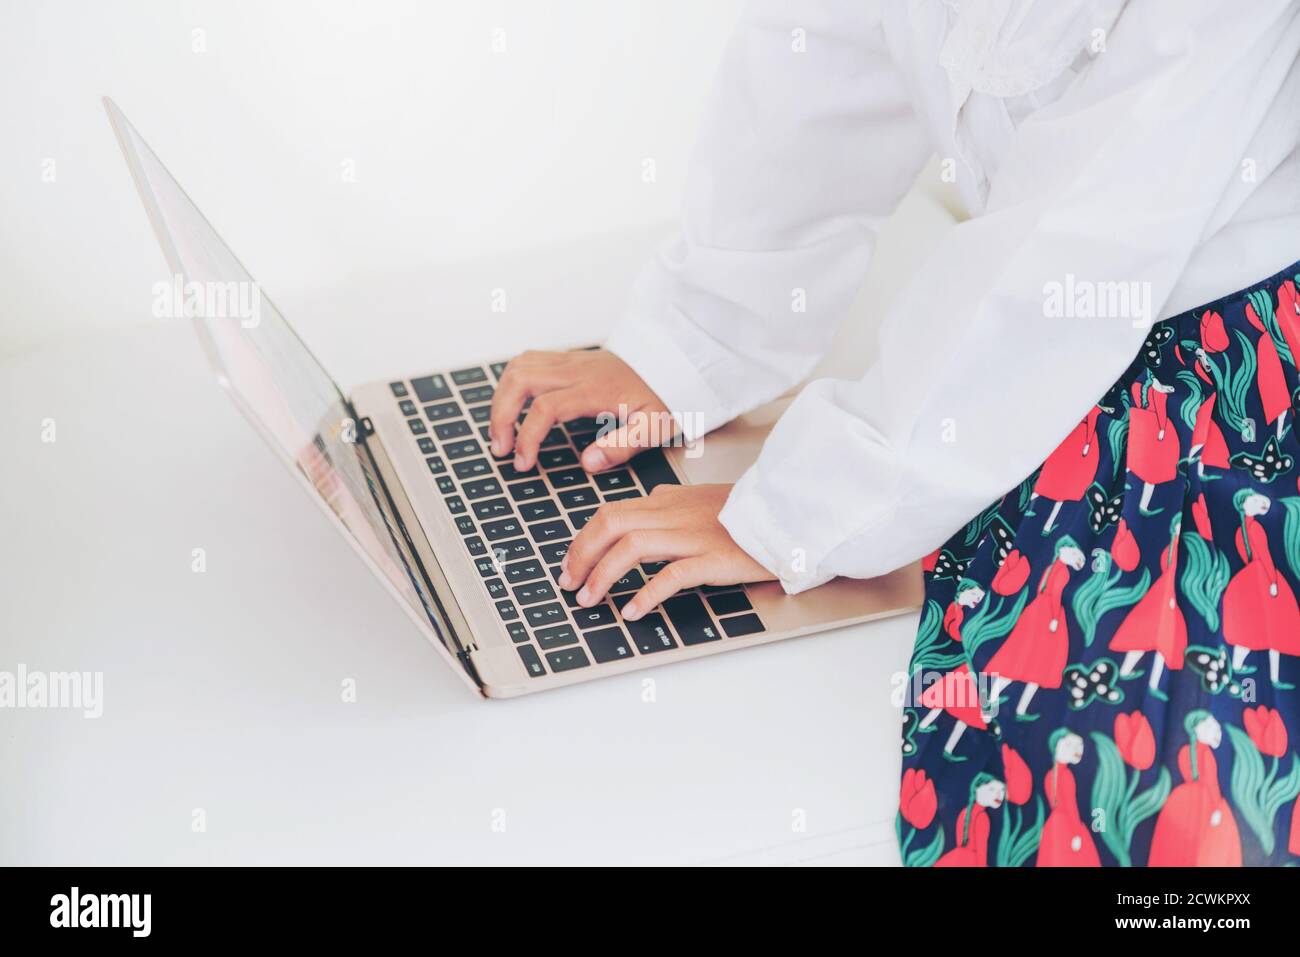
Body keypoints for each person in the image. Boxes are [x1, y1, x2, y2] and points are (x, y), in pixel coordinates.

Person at [487, 0, 1300, 865]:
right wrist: (700, 338)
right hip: (1021, 334)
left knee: (1154, 806)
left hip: (1230, 363)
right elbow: (821, 49)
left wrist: (799, 509)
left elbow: (1086, 235)